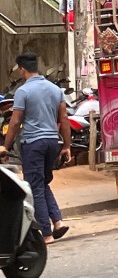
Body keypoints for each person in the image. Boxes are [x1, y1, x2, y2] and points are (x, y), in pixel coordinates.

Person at [0, 52, 72, 244]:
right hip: (52, 142)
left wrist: (4, 147)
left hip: (33, 143)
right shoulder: (55, 89)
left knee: (34, 186)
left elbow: (15, 122)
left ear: (22, 70)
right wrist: (66, 146)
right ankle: (57, 222)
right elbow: (64, 119)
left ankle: (46, 234)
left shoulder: (23, 92)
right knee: (42, 182)